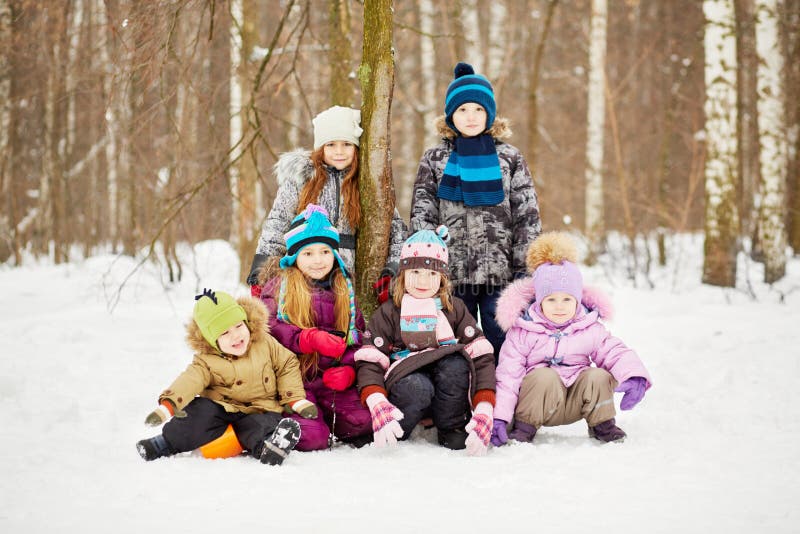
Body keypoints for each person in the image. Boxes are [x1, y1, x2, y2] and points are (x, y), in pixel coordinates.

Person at [410, 62, 542, 364]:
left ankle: (507, 402)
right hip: (451, 275)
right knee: (457, 345)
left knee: (504, 342)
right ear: (451, 115)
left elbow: (527, 216)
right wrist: (426, 268)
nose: (471, 117)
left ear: (490, 114)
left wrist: (524, 269)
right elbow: (423, 213)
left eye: (478, 110)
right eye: (463, 110)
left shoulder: (509, 157)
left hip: (502, 274)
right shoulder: (436, 158)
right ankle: (463, 404)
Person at [490, 232, 652, 446]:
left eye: (567, 299)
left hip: (577, 401)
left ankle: (602, 424)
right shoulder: (523, 331)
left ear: (577, 300)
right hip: (537, 403)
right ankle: (524, 429)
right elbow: (508, 376)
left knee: (598, 376)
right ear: (539, 301)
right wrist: (500, 417)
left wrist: (635, 376)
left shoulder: (588, 327)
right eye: (551, 299)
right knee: (543, 376)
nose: (560, 306)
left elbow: (614, 351)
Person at [354, 226, 496, 456]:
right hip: (409, 388)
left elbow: (481, 355)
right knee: (417, 386)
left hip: (448, 394)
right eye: (415, 272)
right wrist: (376, 400)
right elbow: (370, 358)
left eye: (432, 274)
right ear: (403, 275)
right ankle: (397, 428)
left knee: (456, 365)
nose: (423, 281)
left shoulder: (454, 309)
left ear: (442, 279)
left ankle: (451, 427)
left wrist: (485, 405)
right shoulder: (390, 312)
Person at [136, 289, 319, 465]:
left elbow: (287, 364)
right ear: (211, 341)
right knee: (198, 413)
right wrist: (169, 404)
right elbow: (190, 380)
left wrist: (293, 398)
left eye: (239, 326)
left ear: (246, 322)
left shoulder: (264, 343)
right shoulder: (206, 360)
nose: (236, 336)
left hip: (260, 407)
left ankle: (270, 446)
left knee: (261, 425)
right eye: (224, 333)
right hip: (222, 408)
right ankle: (164, 443)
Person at [247, 105, 406, 302]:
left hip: (351, 279)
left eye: (346, 144)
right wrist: (261, 271)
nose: (339, 151)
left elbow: (395, 228)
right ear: (320, 147)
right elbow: (278, 222)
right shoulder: (302, 178)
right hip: (306, 271)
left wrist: (393, 268)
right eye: (331, 144)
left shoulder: (366, 182)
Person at [259, 204, 372, 450]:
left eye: (325, 251)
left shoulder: (344, 289)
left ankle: (329, 419)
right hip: (294, 382)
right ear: (294, 256)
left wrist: (349, 370)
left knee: (365, 422)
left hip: (331, 383)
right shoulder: (280, 288)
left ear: (335, 254)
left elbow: (358, 337)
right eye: (308, 254)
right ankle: (283, 422)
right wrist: (305, 339)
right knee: (313, 437)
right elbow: (268, 328)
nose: (318, 261)